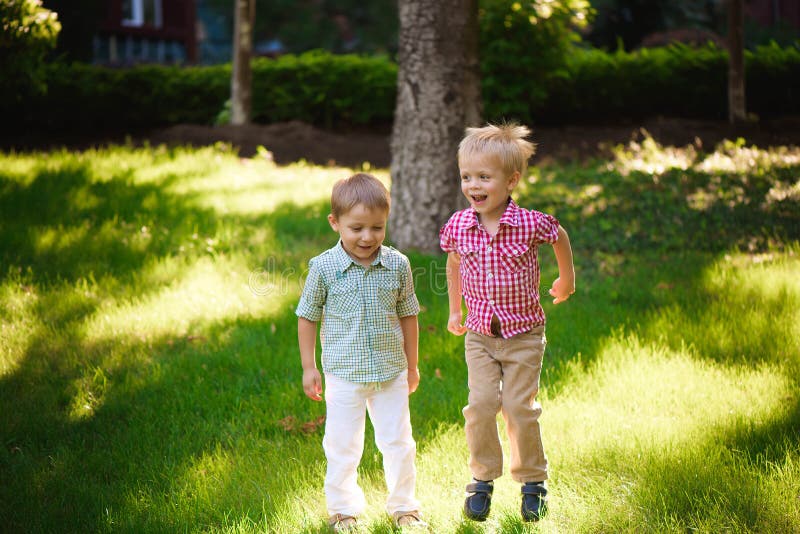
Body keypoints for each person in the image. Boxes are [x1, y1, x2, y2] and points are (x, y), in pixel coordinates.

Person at [439, 123, 575, 522]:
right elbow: (454, 264)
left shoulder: (529, 223)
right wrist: (454, 309)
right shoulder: (459, 226)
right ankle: (481, 479)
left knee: (518, 408)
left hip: (524, 336)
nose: (473, 185)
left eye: (484, 177)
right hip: (480, 336)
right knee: (481, 406)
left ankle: (533, 482)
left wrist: (566, 278)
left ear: (511, 180)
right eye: (467, 176)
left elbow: (559, 235)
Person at [296, 173, 426, 532]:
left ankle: (404, 507)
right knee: (342, 445)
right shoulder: (323, 268)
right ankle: (343, 510)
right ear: (334, 222)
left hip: (390, 372)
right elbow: (307, 317)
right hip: (343, 374)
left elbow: (409, 315)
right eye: (356, 228)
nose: (367, 237)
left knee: (399, 442)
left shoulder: (397, 265)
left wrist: (412, 366)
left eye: (377, 227)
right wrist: (310, 367)